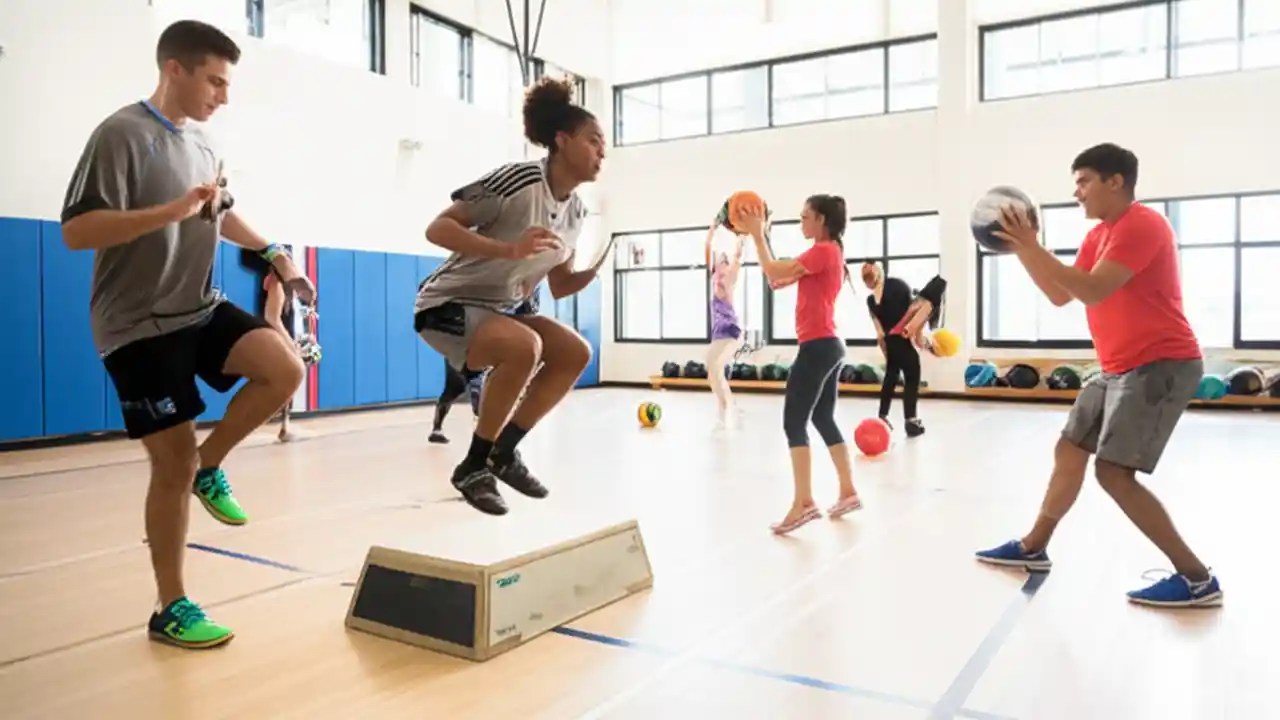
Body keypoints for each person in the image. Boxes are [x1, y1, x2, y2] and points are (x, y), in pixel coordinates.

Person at [59, 20, 311, 649]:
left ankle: (213, 462)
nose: (223, 96)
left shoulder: (204, 146)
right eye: (215, 81)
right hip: (135, 325)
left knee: (284, 368)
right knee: (167, 464)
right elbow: (78, 230)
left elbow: (222, 215)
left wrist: (276, 252)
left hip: (195, 306)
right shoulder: (121, 135)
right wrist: (170, 212)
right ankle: (171, 606)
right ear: (175, 68)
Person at [975, 142, 1220, 608]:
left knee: (1113, 472)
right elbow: (1059, 293)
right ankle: (1033, 548)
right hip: (1118, 367)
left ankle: (1197, 579)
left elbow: (1093, 289)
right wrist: (1021, 250)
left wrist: (1031, 243)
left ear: (1116, 182)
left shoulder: (1143, 224)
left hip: (1161, 364)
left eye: (1084, 181)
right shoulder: (1098, 235)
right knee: (1070, 448)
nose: (1077, 193)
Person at [414, 77, 607, 516]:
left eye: (604, 147)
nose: (601, 153)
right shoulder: (518, 180)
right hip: (447, 306)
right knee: (526, 346)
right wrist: (507, 249)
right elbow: (438, 228)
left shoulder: (576, 211)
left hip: (504, 310)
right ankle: (473, 467)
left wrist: (587, 276)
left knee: (575, 352)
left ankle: (504, 451)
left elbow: (558, 283)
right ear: (561, 140)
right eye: (593, 141)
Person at [739, 195, 861, 535]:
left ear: (821, 219)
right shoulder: (829, 252)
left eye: (805, 217)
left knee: (794, 422)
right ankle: (848, 492)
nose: (802, 222)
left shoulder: (824, 250)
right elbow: (779, 277)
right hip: (830, 346)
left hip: (819, 346)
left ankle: (803, 502)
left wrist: (757, 235)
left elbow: (776, 269)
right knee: (822, 417)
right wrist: (772, 264)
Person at [863, 264, 947, 437]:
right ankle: (911, 420)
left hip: (890, 341)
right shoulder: (901, 288)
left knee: (891, 376)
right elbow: (913, 324)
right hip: (902, 339)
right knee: (912, 375)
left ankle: (882, 416)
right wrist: (926, 344)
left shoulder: (871, 301)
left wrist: (887, 352)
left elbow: (879, 334)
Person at [704, 219, 745, 430]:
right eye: (719, 264)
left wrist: (741, 239)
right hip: (718, 334)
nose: (721, 267)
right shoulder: (715, 281)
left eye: (725, 264)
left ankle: (728, 409)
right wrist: (712, 230)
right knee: (712, 372)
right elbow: (708, 249)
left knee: (717, 368)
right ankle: (725, 406)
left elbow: (737, 258)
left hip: (731, 333)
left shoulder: (729, 282)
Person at [428, 361, 484, 444]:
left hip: (479, 357)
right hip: (460, 355)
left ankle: (484, 433)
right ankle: (437, 429)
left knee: (476, 387)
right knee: (457, 386)